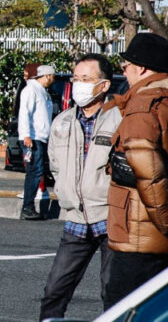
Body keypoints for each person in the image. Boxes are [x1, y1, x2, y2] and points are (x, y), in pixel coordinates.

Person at [39, 54, 121, 321]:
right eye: (76, 78)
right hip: (75, 218)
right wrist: (66, 192)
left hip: (109, 218)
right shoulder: (62, 121)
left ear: (104, 85)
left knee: (113, 293)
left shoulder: (120, 119)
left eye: (86, 79)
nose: (78, 85)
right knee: (55, 290)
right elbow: (55, 166)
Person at [102, 33, 168, 309]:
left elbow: (149, 174)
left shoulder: (142, 105)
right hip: (152, 239)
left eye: (126, 66)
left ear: (141, 68)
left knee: (123, 310)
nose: (124, 71)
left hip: (140, 238)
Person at [18, 64, 56, 220]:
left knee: (35, 172)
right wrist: (26, 135)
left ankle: (28, 207)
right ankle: (27, 207)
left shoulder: (42, 92)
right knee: (35, 172)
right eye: (52, 76)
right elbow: (24, 113)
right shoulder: (31, 90)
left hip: (40, 137)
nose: (53, 80)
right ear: (46, 76)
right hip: (33, 138)